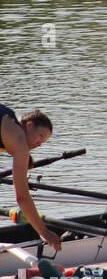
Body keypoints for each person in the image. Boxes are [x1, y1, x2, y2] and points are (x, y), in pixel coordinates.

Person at [0, 107, 62, 252]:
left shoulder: (10, 121)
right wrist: (44, 232)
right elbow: (22, 198)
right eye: (40, 136)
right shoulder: (20, 141)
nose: (40, 143)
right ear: (28, 125)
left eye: (44, 141)